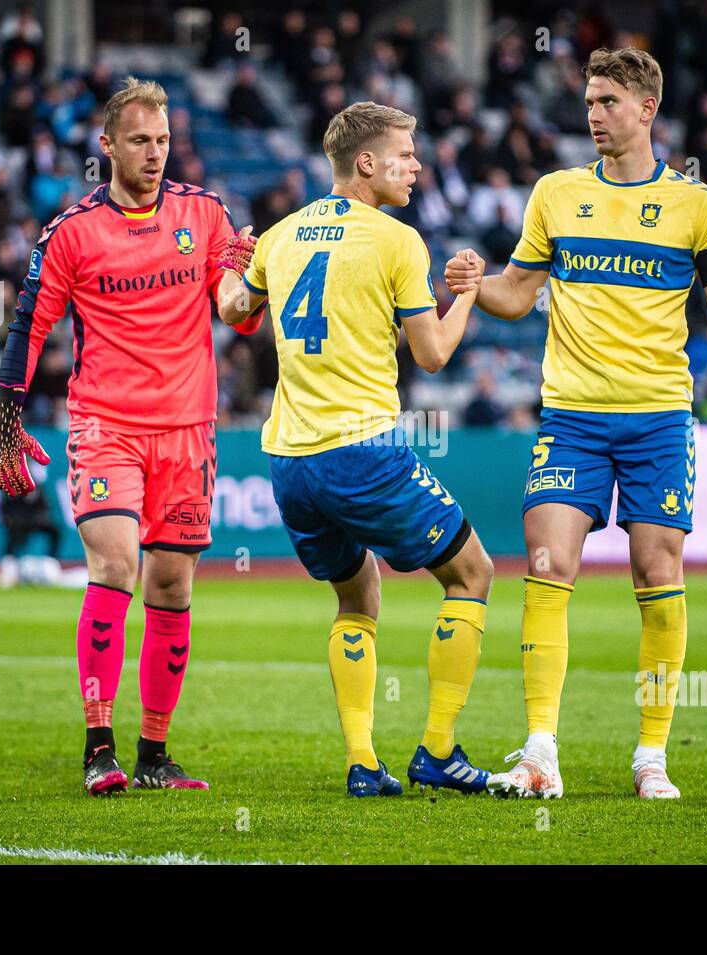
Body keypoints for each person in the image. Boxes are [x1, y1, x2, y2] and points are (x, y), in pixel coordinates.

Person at [446, 48, 707, 800]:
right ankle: (540, 751)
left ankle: (651, 755)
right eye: (589, 101)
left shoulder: (698, 206)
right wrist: (473, 285)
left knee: (658, 572)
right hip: (572, 418)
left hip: (657, 419)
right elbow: (519, 294)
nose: (594, 115)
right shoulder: (555, 193)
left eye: (608, 102)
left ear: (647, 109)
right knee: (547, 566)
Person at [0, 77, 261, 797]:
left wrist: (253, 281)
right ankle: (97, 748)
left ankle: (154, 754)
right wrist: (7, 427)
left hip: (188, 432)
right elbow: (27, 330)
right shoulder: (73, 232)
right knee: (115, 565)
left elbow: (234, 309)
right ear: (106, 145)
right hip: (105, 427)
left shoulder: (204, 215)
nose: (154, 153)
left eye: (164, 140)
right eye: (140, 140)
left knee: (171, 586)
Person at [217, 102, 495, 798]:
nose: (417, 165)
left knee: (357, 597)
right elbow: (431, 355)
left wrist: (231, 264)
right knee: (472, 573)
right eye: (406, 153)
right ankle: (436, 750)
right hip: (361, 449)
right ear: (365, 163)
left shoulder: (282, 235)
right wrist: (465, 295)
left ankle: (363, 762)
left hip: (288, 458)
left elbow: (231, 311)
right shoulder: (397, 240)